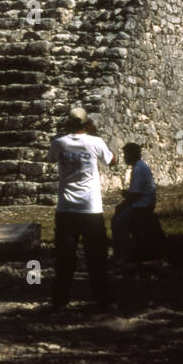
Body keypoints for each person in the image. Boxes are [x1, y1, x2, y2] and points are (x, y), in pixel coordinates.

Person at [47, 108, 114, 310]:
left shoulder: (59, 143)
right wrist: (95, 134)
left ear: (68, 123)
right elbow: (112, 161)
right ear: (86, 123)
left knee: (65, 256)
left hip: (66, 206)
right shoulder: (96, 142)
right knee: (96, 255)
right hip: (91, 207)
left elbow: (51, 160)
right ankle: (101, 298)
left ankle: (60, 299)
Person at [111, 143, 157, 266]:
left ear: (132, 155)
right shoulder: (140, 167)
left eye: (126, 154)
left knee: (118, 222)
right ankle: (122, 253)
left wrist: (124, 200)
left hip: (142, 205)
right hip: (142, 202)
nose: (124, 157)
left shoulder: (138, 169)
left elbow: (135, 196)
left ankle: (122, 255)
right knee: (119, 215)